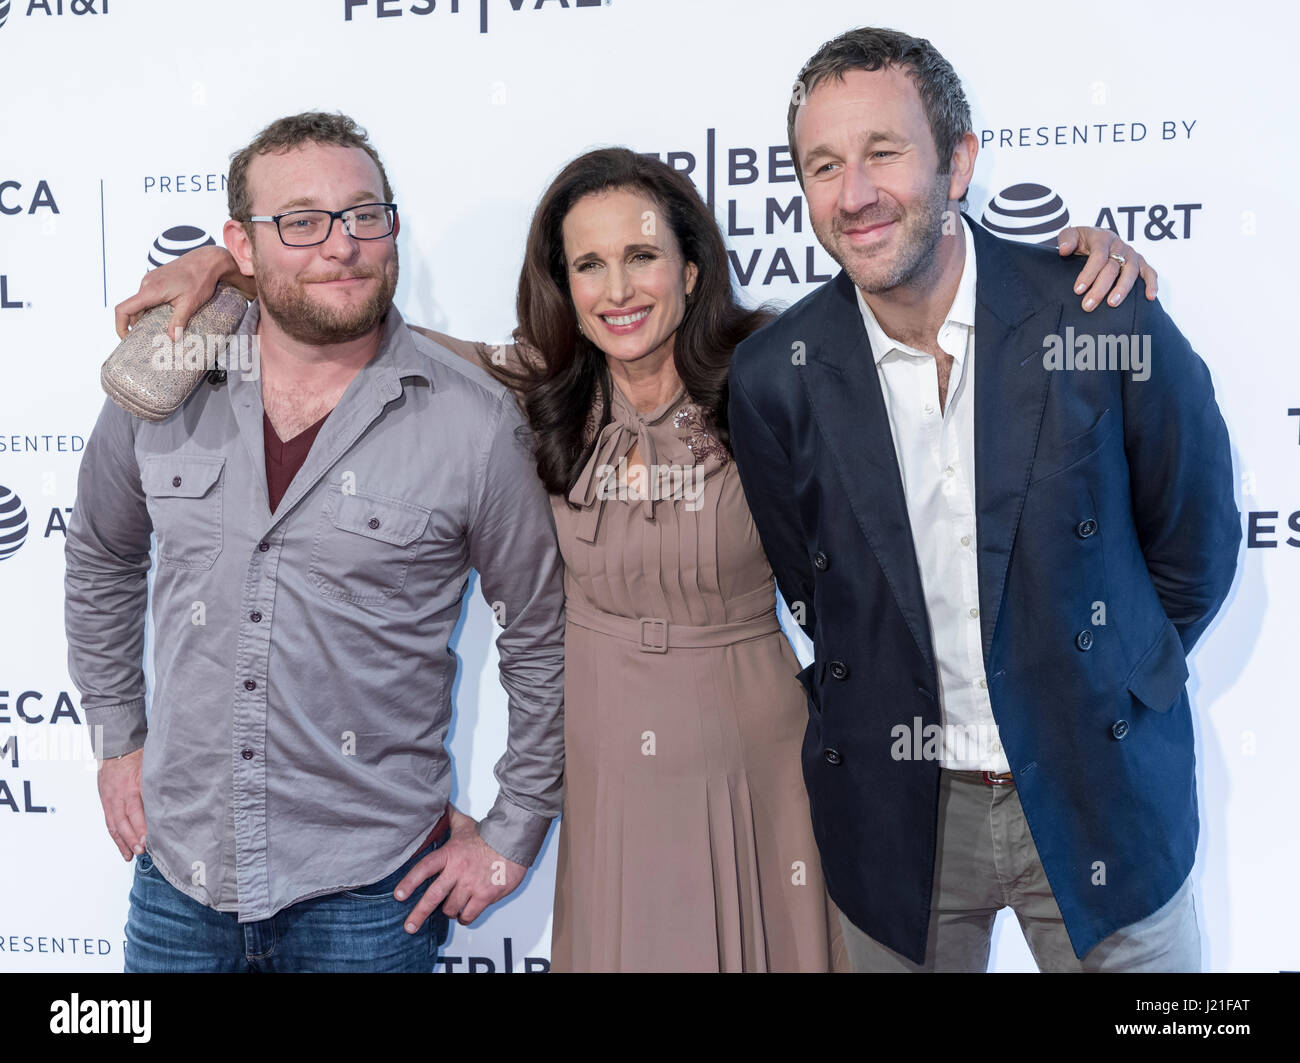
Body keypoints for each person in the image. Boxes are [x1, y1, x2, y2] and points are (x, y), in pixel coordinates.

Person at [113, 145, 1152, 973]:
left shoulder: (785, 376)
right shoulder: (533, 392)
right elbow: (344, 313)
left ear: (690, 265)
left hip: (759, 747)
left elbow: (928, 321)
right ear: (562, 283)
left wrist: (1078, 273)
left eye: (642, 254)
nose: (618, 286)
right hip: (610, 753)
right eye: (588, 262)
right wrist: (223, 274)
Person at [727, 27, 1240, 972]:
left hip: (1099, 786)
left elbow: (1195, 544)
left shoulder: (1096, 308)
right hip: (897, 812)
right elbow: (816, 590)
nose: (855, 195)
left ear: (958, 161)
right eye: (823, 165)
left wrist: (1111, 683)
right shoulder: (774, 377)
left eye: (883, 152)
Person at [63, 112, 567, 973]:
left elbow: (541, 633)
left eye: (365, 215)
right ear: (241, 247)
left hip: (372, 899)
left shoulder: (471, 420)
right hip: (179, 879)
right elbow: (102, 556)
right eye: (302, 221)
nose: (343, 245)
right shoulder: (164, 377)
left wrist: (514, 828)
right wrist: (118, 737)